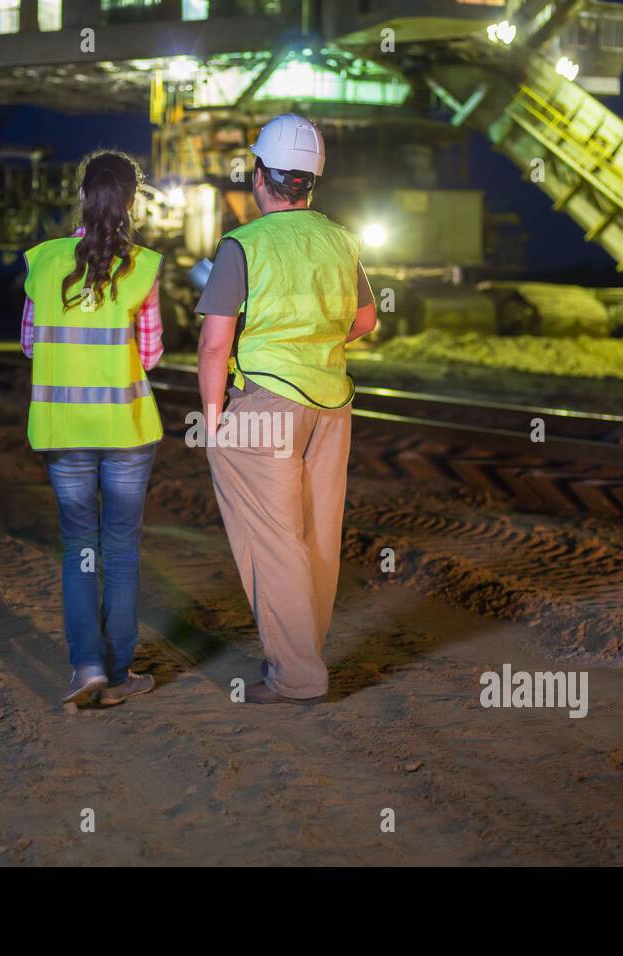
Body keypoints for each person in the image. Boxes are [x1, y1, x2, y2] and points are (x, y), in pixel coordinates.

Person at [195, 114, 379, 705]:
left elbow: (215, 343)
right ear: (312, 181)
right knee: (317, 535)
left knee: (274, 540)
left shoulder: (243, 244)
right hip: (333, 404)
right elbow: (366, 321)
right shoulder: (341, 240)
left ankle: (297, 676)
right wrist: (315, 346)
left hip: (267, 403)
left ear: (259, 177)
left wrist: (213, 413)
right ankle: (304, 656)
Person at [21, 150, 164, 707]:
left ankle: (87, 668)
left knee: (80, 545)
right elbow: (149, 355)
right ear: (131, 202)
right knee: (122, 550)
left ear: (81, 196)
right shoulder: (143, 266)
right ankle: (122, 673)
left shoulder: (45, 261)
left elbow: (31, 343)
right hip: (127, 430)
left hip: (65, 433)